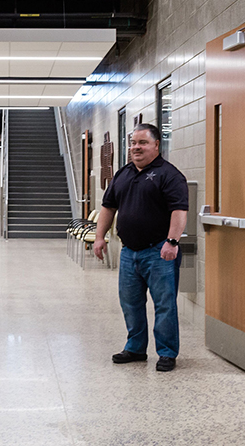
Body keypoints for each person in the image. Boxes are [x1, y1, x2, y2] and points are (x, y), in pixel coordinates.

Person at [92, 123, 188, 372]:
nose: (136, 147)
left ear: (156, 145)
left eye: (142, 143)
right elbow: (108, 207)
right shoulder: (123, 174)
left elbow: (179, 210)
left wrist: (172, 242)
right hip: (129, 252)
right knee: (130, 302)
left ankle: (167, 353)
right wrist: (99, 236)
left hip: (159, 252)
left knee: (164, 304)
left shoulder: (169, 175)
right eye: (133, 142)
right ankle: (135, 348)